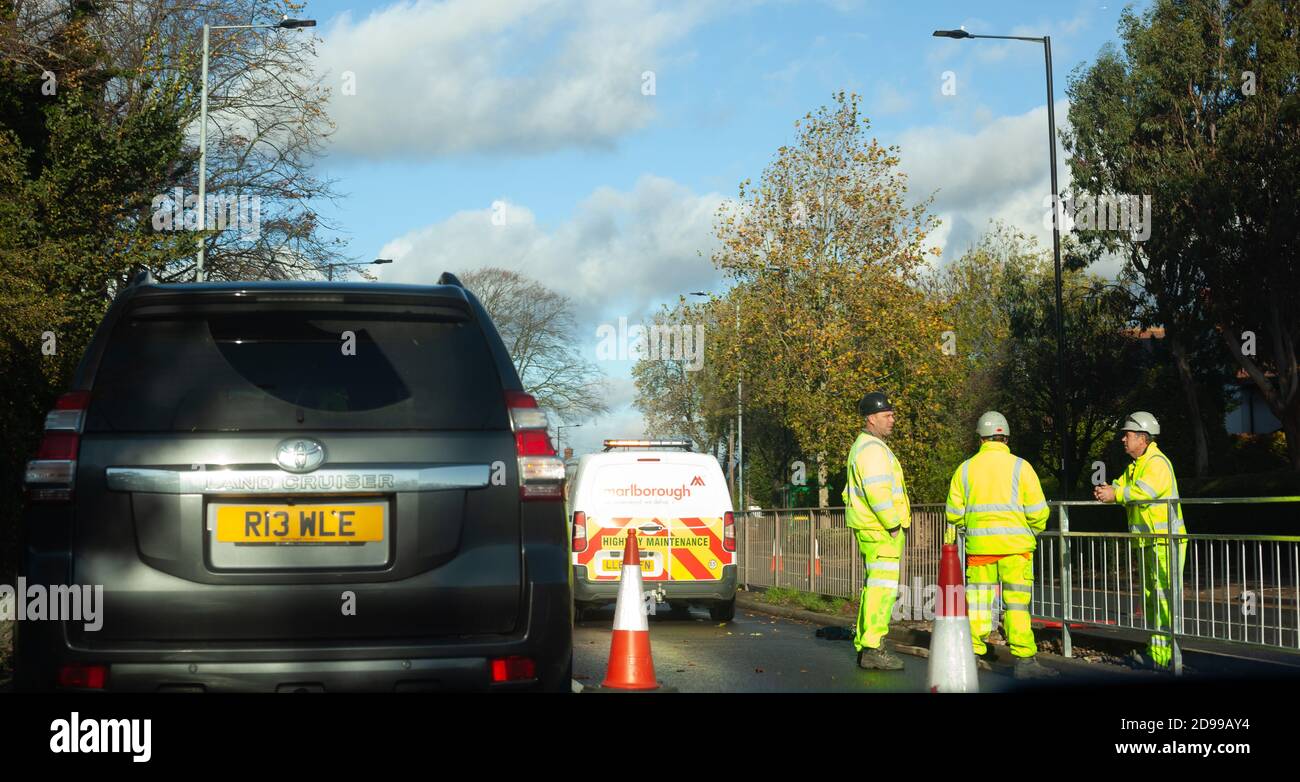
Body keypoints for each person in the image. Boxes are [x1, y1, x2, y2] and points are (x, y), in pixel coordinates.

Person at [945, 412, 1055, 679]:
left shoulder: (966, 469)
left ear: (981, 438)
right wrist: (1031, 531)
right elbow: (1039, 511)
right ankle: (1025, 661)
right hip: (1016, 549)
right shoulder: (1021, 467)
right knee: (1016, 605)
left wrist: (971, 527)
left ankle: (970, 653)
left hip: (980, 549)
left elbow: (953, 513)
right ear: (1005, 437)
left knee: (979, 602)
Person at [1094, 411, 1186, 670]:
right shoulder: (1136, 465)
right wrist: (1107, 490)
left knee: (1162, 597)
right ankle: (1157, 651)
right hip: (1150, 541)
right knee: (1152, 598)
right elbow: (1121, 486)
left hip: (1165, 542)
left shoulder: (1156, 462)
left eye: (1128, 435)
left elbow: (1143, 493)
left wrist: (1116, 493)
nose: (1123, 439)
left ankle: (1160, 656)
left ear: (1143, 438)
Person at [842, 392, 909, 670]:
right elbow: (877, 491)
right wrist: (893, 524)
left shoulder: (867, 446)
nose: (892, 420)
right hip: (881, 530)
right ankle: (873, 648)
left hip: (874, 529)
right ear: (871, 419)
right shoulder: (872, 450)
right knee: (882, 591)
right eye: (887, 415)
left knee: (875, 589)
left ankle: (867, 643)